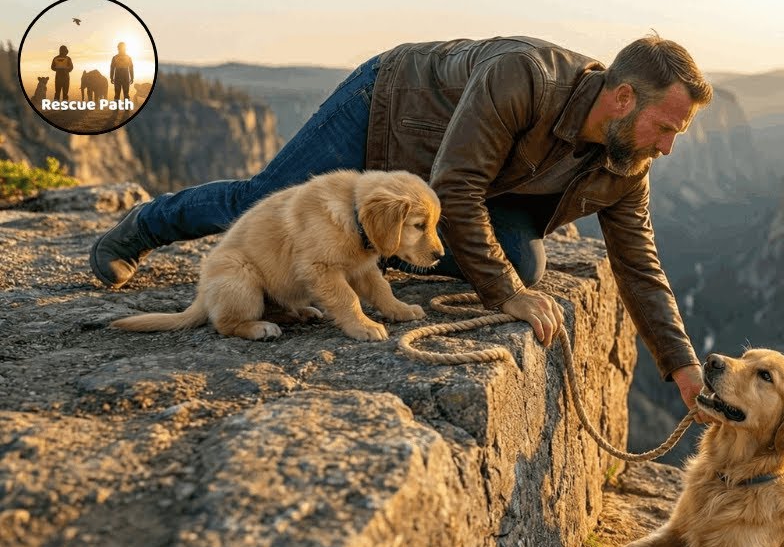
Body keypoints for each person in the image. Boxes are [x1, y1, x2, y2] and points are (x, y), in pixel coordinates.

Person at [90, 35, 712, 419]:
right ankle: (142, 225)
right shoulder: (524, 75)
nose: (668, 148)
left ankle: (365, 259)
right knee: (264, 204)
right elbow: (457, 188)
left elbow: (639, 261)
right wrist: (505, 298)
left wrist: (680, 365)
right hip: (387, 107)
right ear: (625, 98)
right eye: (667, 128)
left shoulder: (625, 160)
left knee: (521, 265)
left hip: (454, 181)